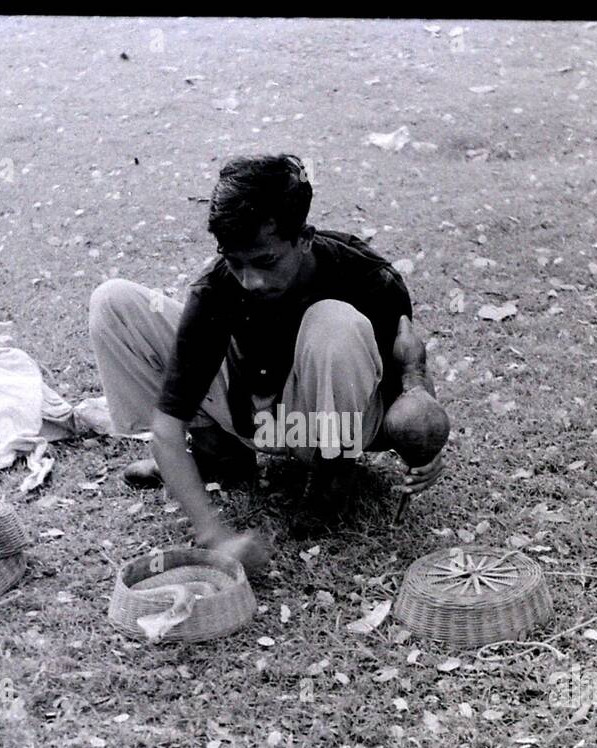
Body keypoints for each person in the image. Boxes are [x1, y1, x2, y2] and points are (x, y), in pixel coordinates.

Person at [87, 153, 448, 574]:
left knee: (335, 321)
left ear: (305, 238)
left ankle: (332, 479)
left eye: (266, 261)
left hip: (327, 429)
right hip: (253, 413)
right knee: (114, 301)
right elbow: (166, 428)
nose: (250, 279)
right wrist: (216, 537)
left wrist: (425, 441)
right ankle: (216, 455)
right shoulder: (218, 287)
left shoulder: (366, 276)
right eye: (235, 261)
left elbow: (411, 364)